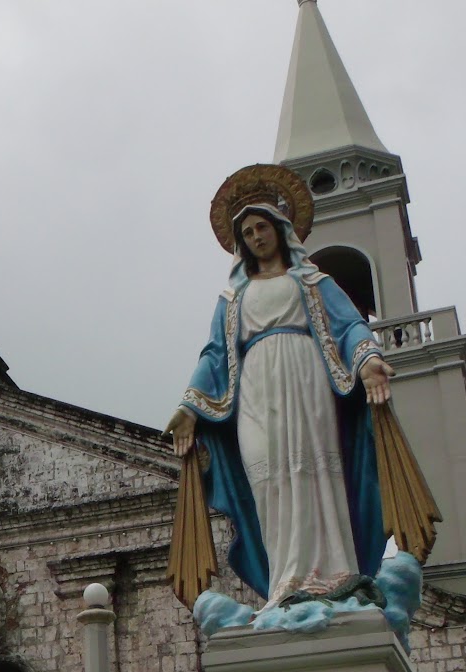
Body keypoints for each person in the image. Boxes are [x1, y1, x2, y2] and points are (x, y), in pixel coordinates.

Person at [166, 165, 395, 614]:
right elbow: (214, 354)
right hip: (255, 390)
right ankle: (284, 581)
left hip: (305, 379)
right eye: (247, 232)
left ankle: (334, 575)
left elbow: (349, 327)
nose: (255, 236)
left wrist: (368, 360)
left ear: (280, 229)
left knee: (312, 473)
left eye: (261, 227)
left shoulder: (311, 282)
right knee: (266, 475)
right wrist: (188, 408)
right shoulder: (232, 300)